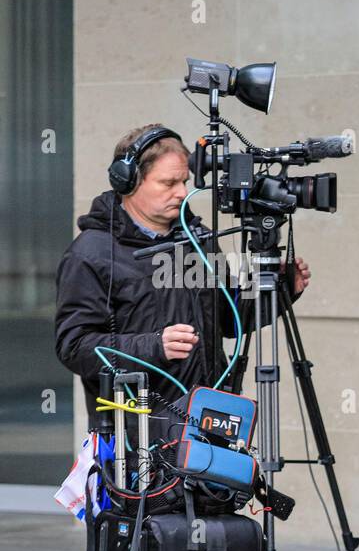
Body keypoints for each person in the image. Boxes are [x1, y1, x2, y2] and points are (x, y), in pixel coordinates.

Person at [54, 123, 310, 422]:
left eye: (185, 181)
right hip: (137, 435)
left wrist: (279, 288)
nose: (182, 193)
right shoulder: (90, 253)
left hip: (210, 421)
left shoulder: (199, 239)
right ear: (128, 181)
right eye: (168, 183)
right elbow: (73, 347)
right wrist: (154, 346)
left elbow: (229, 321)